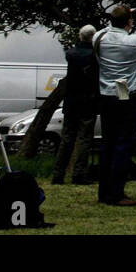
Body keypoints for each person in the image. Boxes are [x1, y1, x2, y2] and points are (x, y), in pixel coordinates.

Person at [94, 5, 136, 207]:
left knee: (109, 143)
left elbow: (108, 29)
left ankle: (104, 191)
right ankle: (116, 192)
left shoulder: (99, 37)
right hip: (126, 94)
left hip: (107, 93)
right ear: (129, 22)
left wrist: (122, 17)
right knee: (124, 143)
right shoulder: (132, 42)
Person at [51, 24, 99, 186]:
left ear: (80, 36)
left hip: (71, 102)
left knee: (67, 138)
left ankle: (58, 174)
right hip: (88, 101)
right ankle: (79, 174)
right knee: (84, 139)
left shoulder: (70, 54)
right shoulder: (95, 55)